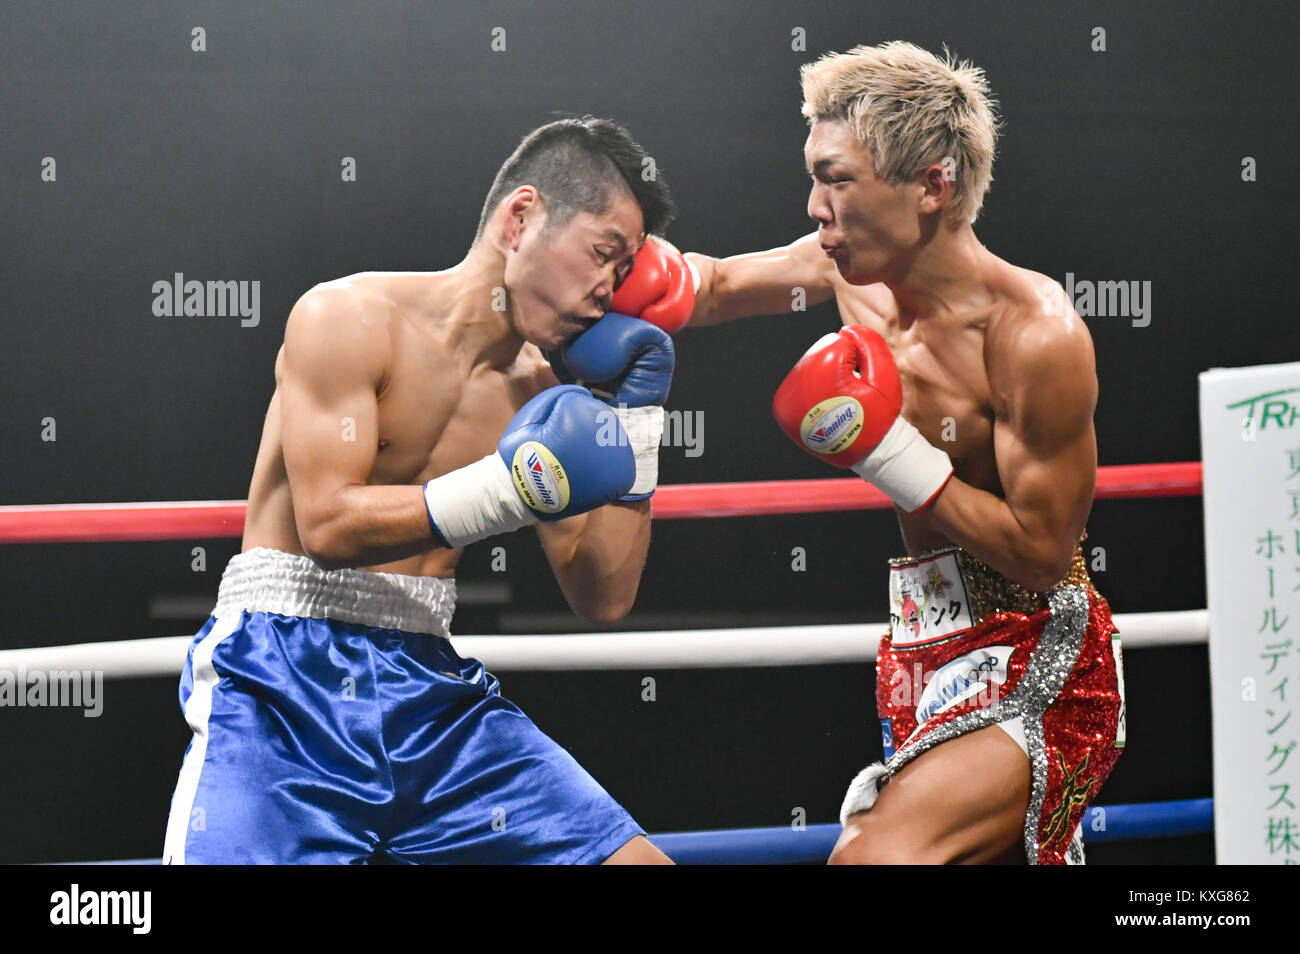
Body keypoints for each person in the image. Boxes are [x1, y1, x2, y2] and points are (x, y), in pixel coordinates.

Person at [162, 116, 695, 864]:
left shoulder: (541, 397)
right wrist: (509, 490)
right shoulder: (346, 317)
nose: (607, 291)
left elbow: (602, 596)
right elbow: (328, 527)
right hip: (282, 679)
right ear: (521, 218)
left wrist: (637, 422)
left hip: (431, 692)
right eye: (602, 254)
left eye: (624, 270)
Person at [680, 41, 1125, 864]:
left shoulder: (1035, 335)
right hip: (923, 644)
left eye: (837, 180)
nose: (815, 207)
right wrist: (595, 275)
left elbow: (1042, 553)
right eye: (814, 178)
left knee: (873, 856)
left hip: (1038, 650)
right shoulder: (849, 273)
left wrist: (886, 450)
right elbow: (706, 288)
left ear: (931, 186)